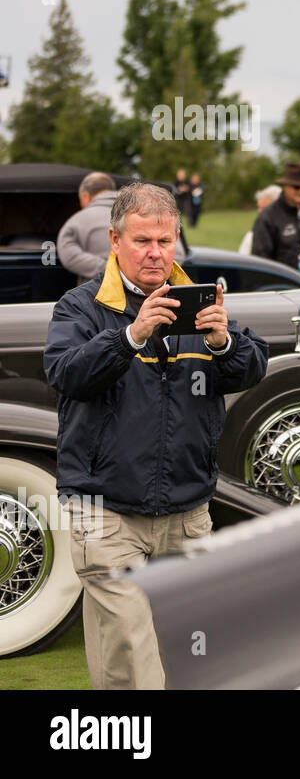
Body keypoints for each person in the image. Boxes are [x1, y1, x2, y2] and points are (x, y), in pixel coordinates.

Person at [44, 181, 268, 689]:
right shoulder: (80, 306)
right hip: (106, 513)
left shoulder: (200, 304)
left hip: (187, 512)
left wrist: (224, 342)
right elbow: (65, 373)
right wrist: (131, 336)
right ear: (114, 240)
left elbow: (252, 366)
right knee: (131, 661)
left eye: (165, 241)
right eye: (143, 240)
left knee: (191, 653)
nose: (155, 253)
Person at [250, 162, 300, 277]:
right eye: (296, 187)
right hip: (282, 283)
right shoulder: (267, 216)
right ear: (285, 186)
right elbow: (260, 259)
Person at [56, 172, 117, 283]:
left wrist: (110, 269)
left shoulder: (76, 221)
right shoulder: (136, 212)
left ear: (85, 196)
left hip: (97, 289)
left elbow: (69, 257)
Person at [238, 184, 281, 254]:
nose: (259, 212)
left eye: (264, 208)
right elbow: (242, 259)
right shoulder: (251, 236)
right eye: (259, 207)